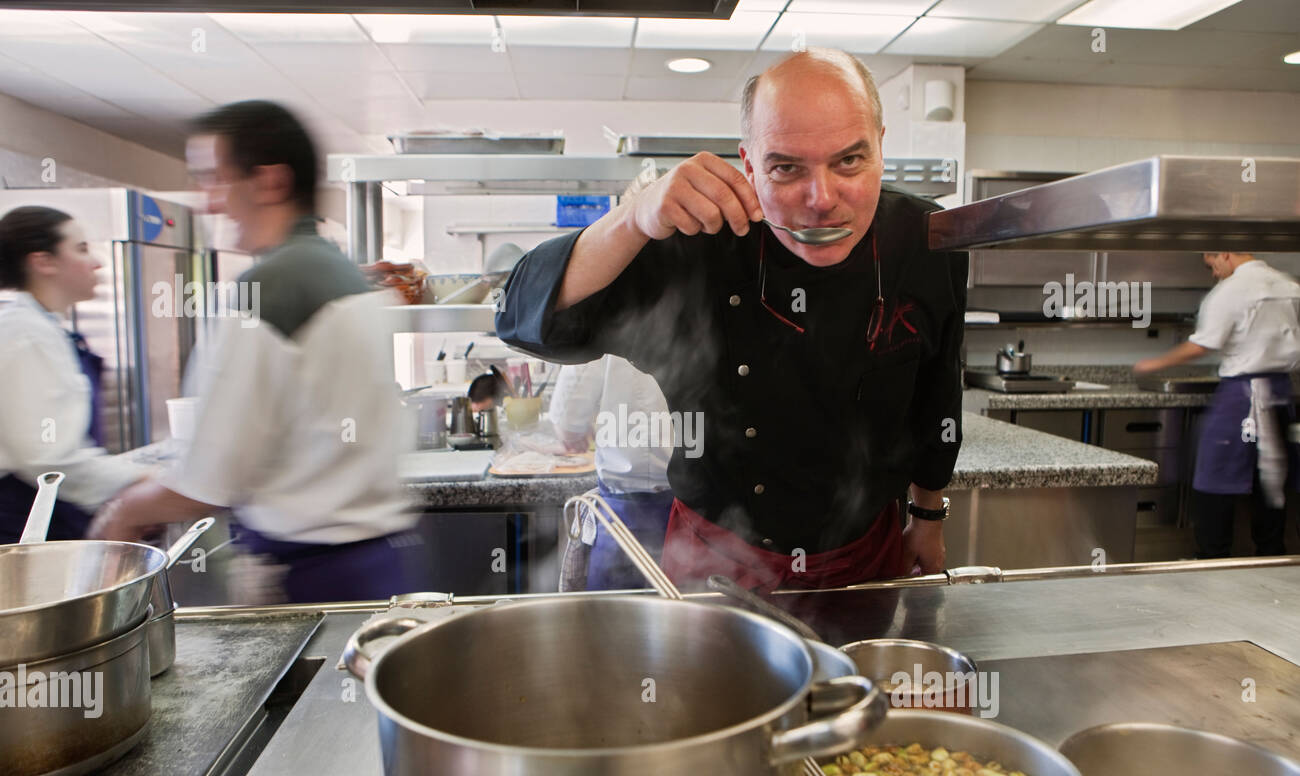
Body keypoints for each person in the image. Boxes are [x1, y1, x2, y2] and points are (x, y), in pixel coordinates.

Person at [497, 48, 967, 592]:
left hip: (864, 557)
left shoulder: (927, 238)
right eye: (786, 167)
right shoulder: (701, 241)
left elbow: (938, 399)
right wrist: (634, 217)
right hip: (715, 564)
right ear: (748, 164)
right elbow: (523, 316)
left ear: (881, 147)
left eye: (849, 161)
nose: (822, 200)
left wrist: (928, 516)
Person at [89, 100, 423, 603]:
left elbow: (210, 478)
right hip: (377, 566)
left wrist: (124, 512)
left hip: (310, 580)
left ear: (269, 182)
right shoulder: (347, 278)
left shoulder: (267, 292)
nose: (207, 203)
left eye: (213, 179)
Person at [1135, 252, 1300, 558]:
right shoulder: (1288, 285)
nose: (1213, 273)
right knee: (1271, 483)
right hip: (1281, 395)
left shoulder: (1230, 291)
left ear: (1223, 254)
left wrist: (1153, 364)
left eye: (1211, 265)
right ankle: (1271, 557)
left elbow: (1202, 344)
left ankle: (1212, 559)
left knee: (1213, 478)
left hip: (1243, 398)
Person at [0, 206, 146, 541]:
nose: (97, 262)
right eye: (81, 249)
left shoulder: (47, 329)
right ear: (43, 262)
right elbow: (50, 460)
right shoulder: (24, 335)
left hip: (55, 516)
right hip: (24, 528)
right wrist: (145, 481)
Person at [550, 355, 675, 590]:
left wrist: (574, 432)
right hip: (699, 518)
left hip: (624, 521)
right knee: (693, 621)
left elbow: (568, 415)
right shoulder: (713, 318)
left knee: (613, 623)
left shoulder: (604, 319)